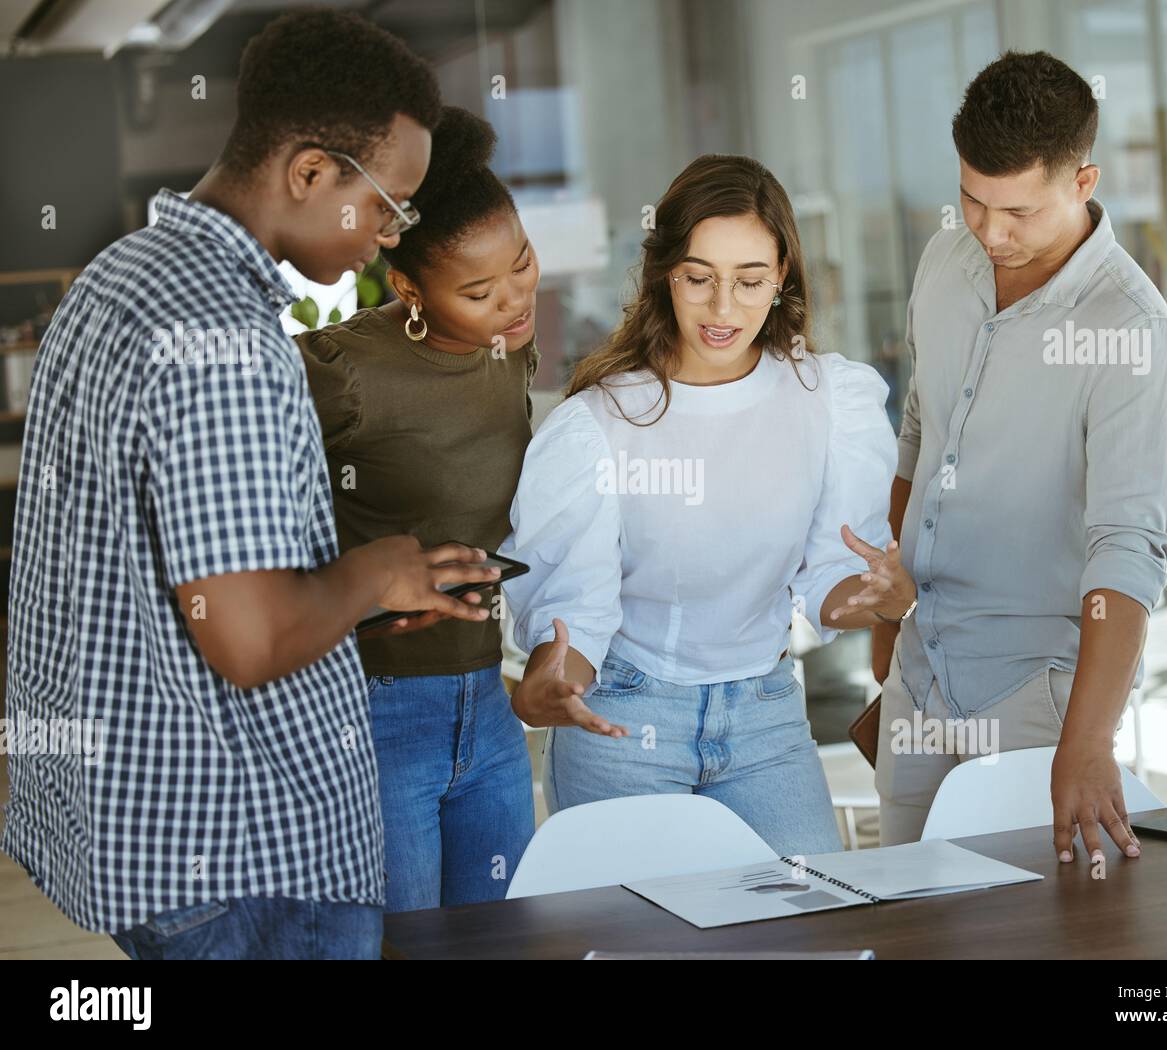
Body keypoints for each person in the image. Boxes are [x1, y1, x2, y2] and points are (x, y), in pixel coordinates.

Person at [1, 10, 501, 961]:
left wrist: (342, 601)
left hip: (138, 833)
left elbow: (152, 576)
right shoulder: (225, 337)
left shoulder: (118, 275)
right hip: (246, 854)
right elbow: (252, 635)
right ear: (311, 172)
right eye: (390, 206)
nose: (393, 238)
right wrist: (374, 575)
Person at [500, 154, 915, 858]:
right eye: (700, 278)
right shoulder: (598, 425)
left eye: (750, 281)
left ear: (781, 275)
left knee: (813, 928)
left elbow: (830, 587)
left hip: (766, 716)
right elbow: (579, 619)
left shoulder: (830, 402)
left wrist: (885, 598)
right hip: (624, 720)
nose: (724, 309)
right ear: (666, 272)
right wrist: (549, 684)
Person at [870, 51, 1167, 860]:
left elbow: (1128, 550)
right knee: (907, 929)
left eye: (1018, 210)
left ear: (1083, 183)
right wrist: (888, 620)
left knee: (1048, 941)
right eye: (972, 199)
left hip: (1039, 698)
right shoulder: (946, 261)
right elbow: (920, 427)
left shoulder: (1132, 334)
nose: (990, 230)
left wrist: (1087, 743)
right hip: (920, 675)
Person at [297, 108, 540, 911]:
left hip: (490, 702)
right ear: (407, 285)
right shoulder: (342, 369)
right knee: (401, 943)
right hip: (377, 711)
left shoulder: (511, 352)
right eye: (477, 290)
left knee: (500, 939)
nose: (512, 300)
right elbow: (224, 491)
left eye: (522, 263)